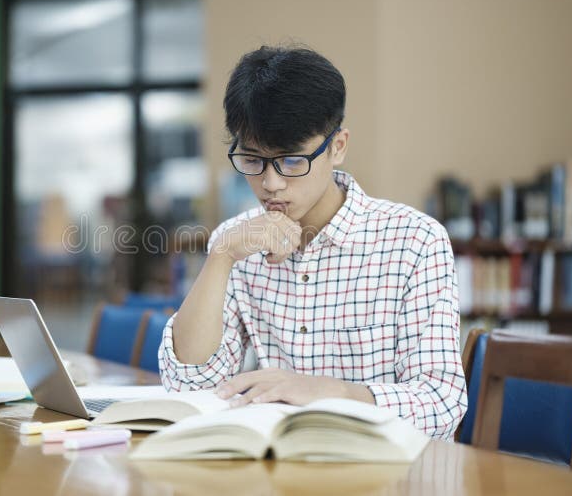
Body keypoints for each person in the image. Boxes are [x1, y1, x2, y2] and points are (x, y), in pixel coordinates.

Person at [158, 45, 467, 439]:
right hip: (275, 462)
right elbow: (187, 384)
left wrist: (331, 393)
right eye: (252, 160)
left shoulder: (415, 241)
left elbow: (441, 403)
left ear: (337, 147)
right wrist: (220, 257)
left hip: (382, 464)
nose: (270, 183)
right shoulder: (237, 242)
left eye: (291, 161)